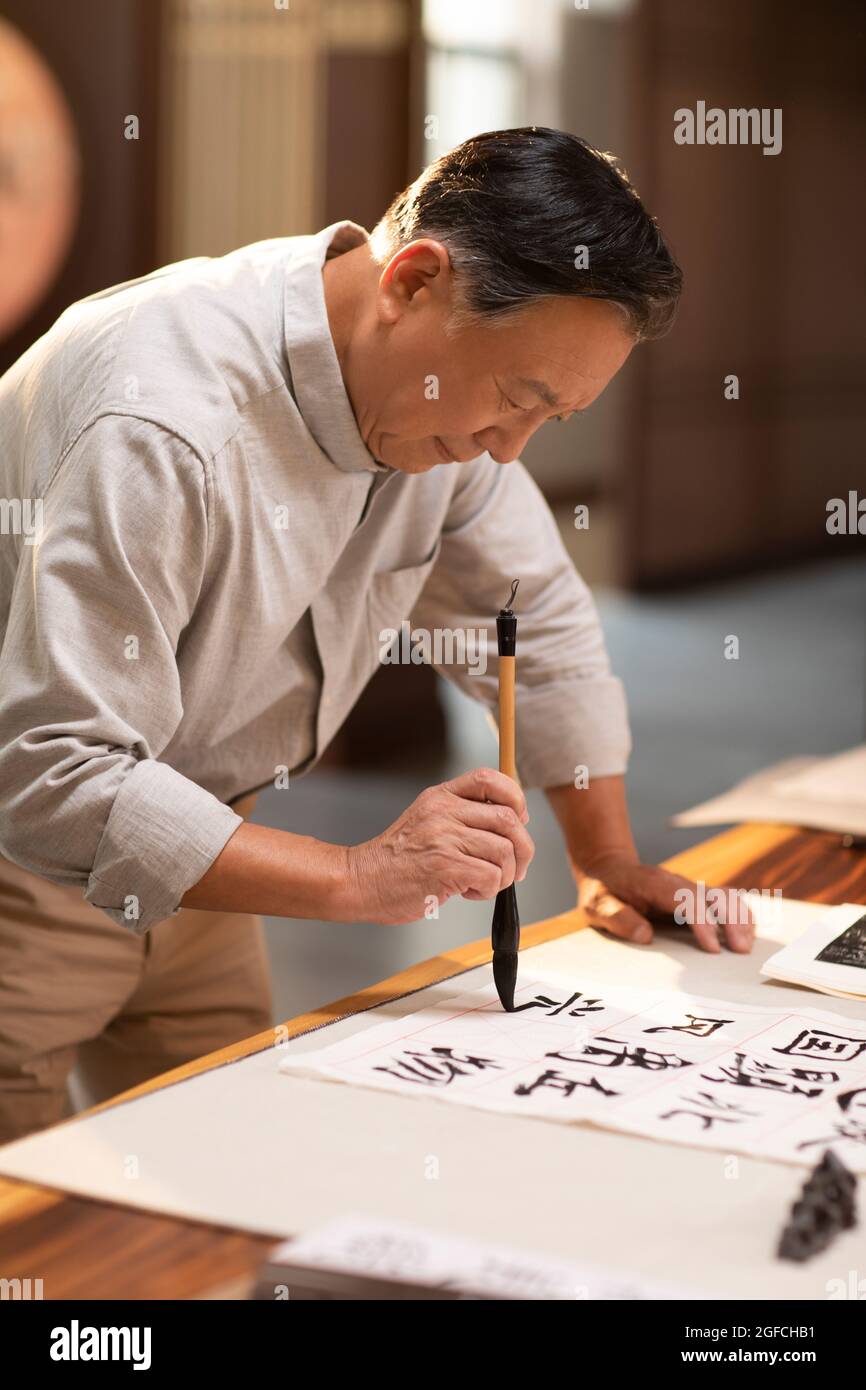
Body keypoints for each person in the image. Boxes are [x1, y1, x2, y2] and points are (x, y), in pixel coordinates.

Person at [0, 127, 752, 1144]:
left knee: (221, 1188)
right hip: (21, 871)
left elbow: (536, 621)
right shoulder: (160, 420)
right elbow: (52, 773)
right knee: (27, 1237)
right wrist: (358, 878)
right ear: (413, 280)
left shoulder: (443, 410)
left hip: (203, 847)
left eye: (551, 420)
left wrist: (607, 861)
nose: (507, 449)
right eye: (517, 398)